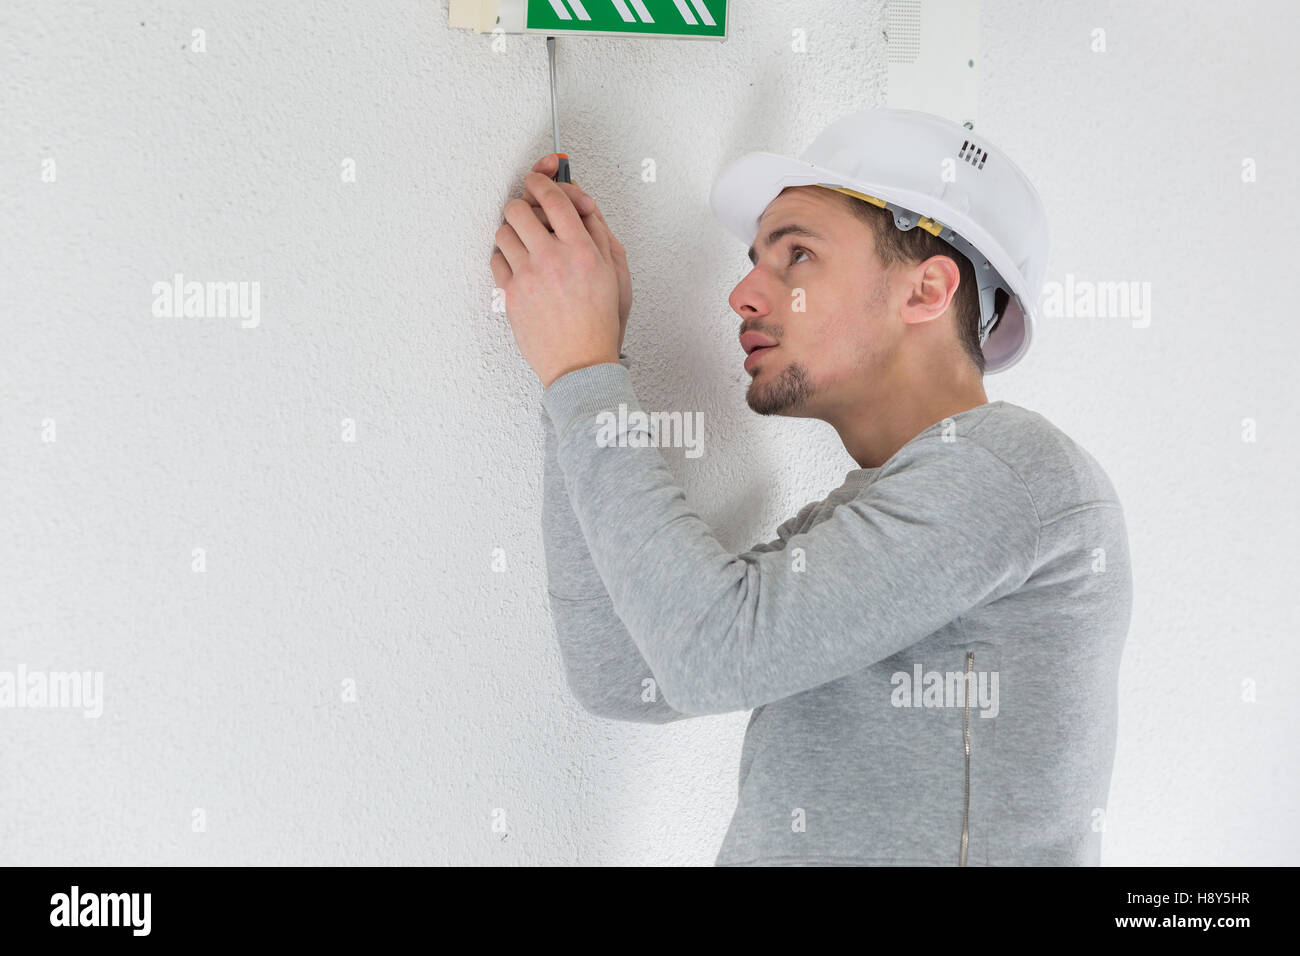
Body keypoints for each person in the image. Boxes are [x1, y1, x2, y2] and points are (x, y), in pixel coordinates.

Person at [489, 108, 1133, 866]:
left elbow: (711, 657)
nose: (743, 295)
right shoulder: (851, 522)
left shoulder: (1015, 471)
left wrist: (585, 371)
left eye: (795, 254)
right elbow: (624, 673)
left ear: (927, 289)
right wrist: (578, 375)